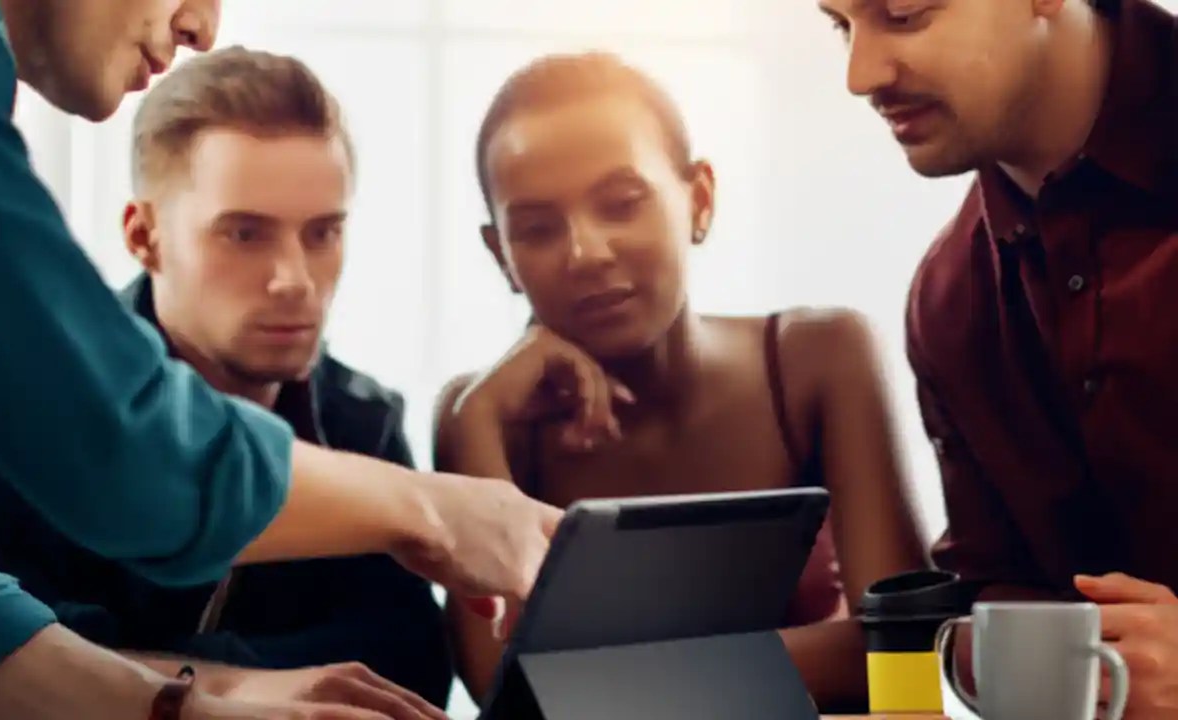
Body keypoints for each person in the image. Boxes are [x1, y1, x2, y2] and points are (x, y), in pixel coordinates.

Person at [0, 1, 558, 718]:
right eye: (244, 234)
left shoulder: (360, 416)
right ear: (144, 237)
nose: (203, 29)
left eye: (323, 233)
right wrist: (432, 509)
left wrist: (184, 704)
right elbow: (128, 450)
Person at [432, 51, 928, 712]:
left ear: (698, 199)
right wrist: (476, 425)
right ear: (503, 256)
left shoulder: (821, 358)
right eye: (538, 229)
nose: (587, 252)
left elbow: (905, 658)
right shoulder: (482, 416)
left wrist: (603, 682)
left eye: (620, 204)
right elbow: (503, 695)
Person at [818, 0, 1178, 713]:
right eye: (840, 25)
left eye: (903, 13)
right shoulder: (949, 303)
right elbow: (993, 589)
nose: (860, 74)